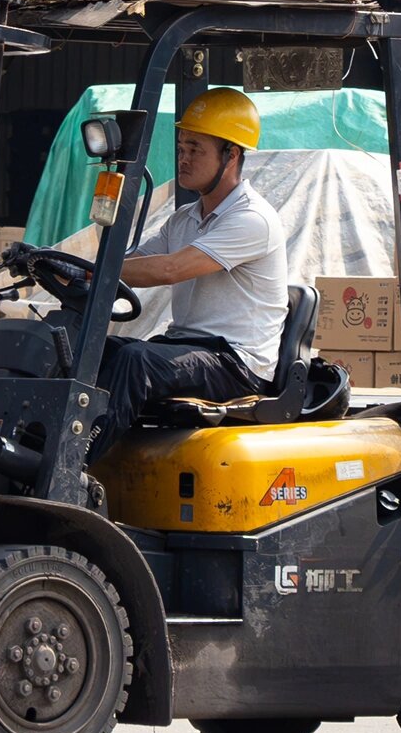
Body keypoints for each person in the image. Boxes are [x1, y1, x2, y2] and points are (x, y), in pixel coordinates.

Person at [87, 87, 288, 460]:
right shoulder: (184, 219)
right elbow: (133, 263)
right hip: (188, 348)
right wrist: (80, 270)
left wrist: (95, 274)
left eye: (196, 149)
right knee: (89, 347)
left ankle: (71, 465)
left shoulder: (251, 219)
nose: (184, 158)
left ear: (231, 155)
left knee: (136, 360)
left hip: (235, 362)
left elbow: (168, 269)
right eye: (181, 148)